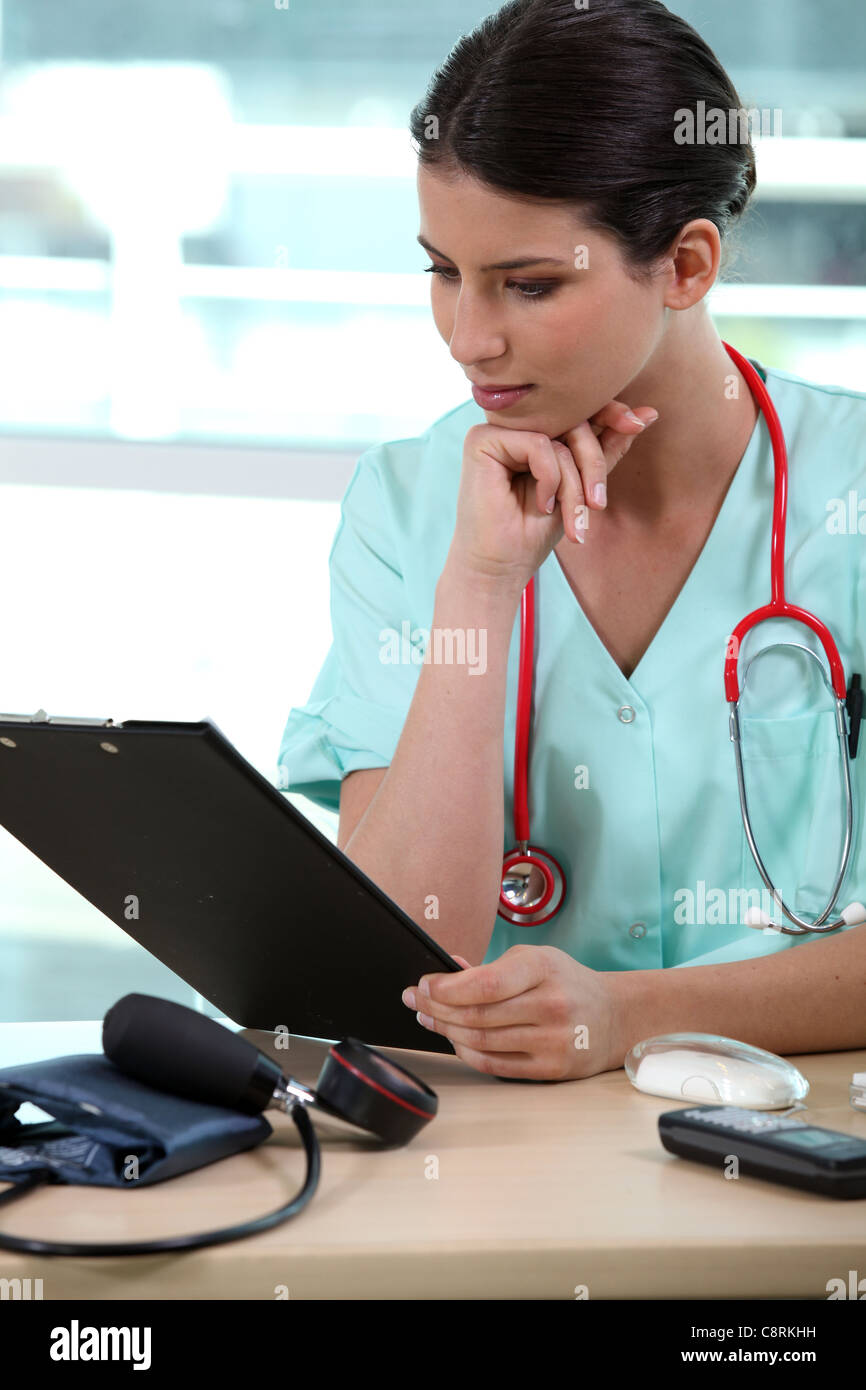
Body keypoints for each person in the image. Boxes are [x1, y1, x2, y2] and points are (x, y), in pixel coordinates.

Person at [278, 0, 866, 1080]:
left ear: (685, 266)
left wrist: (630, 1013)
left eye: (529, 283)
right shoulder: (406, 503)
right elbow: (400, 952)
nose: (467, 337)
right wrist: (480, 583)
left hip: (813, 1157)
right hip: (497, 1173)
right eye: (442, 271)